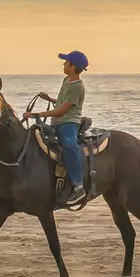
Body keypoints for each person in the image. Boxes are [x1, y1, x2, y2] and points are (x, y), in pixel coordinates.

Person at [25, 51, 89, 203]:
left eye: (66, 62)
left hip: (69, 123)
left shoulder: (77, 87)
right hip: (56, 122)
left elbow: (61, 111)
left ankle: (78, 186)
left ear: (72, 67)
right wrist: (49, 99)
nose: (63, 64)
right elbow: (62, 102)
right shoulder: (66, 80)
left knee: (68, 145)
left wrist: (35, 114)